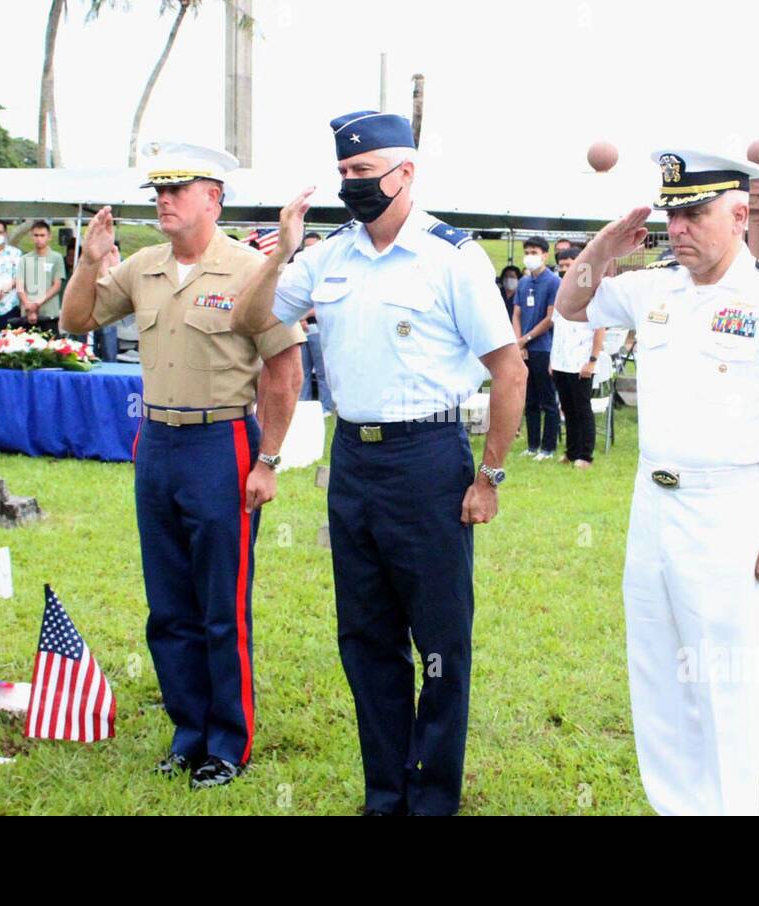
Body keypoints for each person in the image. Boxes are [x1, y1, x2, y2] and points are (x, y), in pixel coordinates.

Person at [231, 110, 526, 816]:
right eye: (344, 175)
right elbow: (249, 318)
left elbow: (509, 369)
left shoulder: (452, 257)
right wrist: (283, 252)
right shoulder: (330, 255)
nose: (352, 185)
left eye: (363, 173)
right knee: (366, 638)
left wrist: (489, 476)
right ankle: (386, 792)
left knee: (440, 642)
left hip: (428, 460)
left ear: (407, 173)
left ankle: (433, 798)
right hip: (352, 464)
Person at [555, 149, 759, 815]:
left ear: (738, 214)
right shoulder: (655, 288)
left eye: (693, 212)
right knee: (658, 673)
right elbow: (570, 302)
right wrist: (605, 243)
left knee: (725, 684)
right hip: (654, 501)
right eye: (672, 213)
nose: (678, 226)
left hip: (729, 507)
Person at [59, 142, 305, 789]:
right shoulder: (142, 267)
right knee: (168, 606)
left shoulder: (252, 269)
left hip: (221, 442)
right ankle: (188, 732)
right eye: (157, 192)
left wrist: (270, 460)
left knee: (222, 605)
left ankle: (228, 741)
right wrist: (88, 262)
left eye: (177, 189)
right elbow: (76, 316)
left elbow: (285, 370)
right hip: (157, 444)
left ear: (213, 198)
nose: (163, 201)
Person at [550, 246, 604, 467]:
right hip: (561, 360)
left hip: (581, 360)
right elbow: (557, 326)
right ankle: (571, 452)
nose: (564, 269)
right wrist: (553, 361)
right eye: (562, 266)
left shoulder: (590, 290)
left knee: (582, 408)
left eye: (569, 265)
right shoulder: (561, 290)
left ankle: (585, 455)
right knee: (567, 407)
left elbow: (600, 327)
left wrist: (592, 360)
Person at [514, 236, 561, 460]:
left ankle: (548, 447)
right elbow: (517, 313)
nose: (530, 256)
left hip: (543, 347)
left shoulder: (553, 282)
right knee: (529, 399)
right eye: (527, 251)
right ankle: (532, 445)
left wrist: (527, 338)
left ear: (545, 255)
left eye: (534, 252)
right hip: (524, 349)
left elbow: (550, 318)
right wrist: (518, 342)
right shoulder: (523, 283)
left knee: (547, 399)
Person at [295, 232, 333, 415]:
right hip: (300, 328)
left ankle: (325, 407)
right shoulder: (299, 272)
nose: (310, 250)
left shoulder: (329, 272)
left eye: (314, 246)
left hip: (317, 328)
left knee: (322, 371)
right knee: (301, 372)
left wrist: (303, 315)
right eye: (307, 246)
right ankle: (303, 406)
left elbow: (325, 303)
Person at [16, 221, 66, 334]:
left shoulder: (56, 258)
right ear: (31, 237)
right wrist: (28, 305)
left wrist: (37, 303)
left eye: (42, 235)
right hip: (27, 313)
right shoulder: (24, 259)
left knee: (51, 348)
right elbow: (20, 286)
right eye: (36, 235)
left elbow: (57, 285)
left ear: (49, 237)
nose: (39, 239)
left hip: (49, 313)